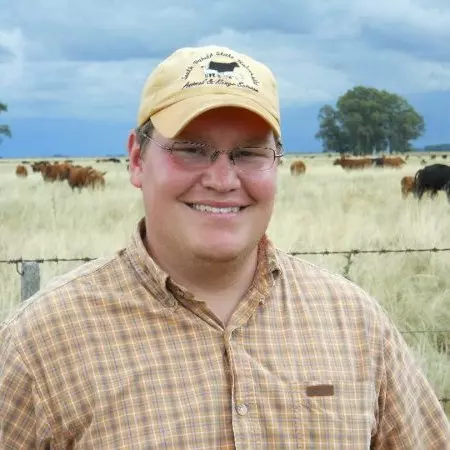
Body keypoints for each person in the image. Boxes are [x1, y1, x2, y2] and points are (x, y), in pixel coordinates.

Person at [1, 45, 449, 449]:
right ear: (137, 160)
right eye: (191, 150)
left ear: (278, 163)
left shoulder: (356, 325)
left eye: (249, 153)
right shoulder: (39, 344)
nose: (221, 179)